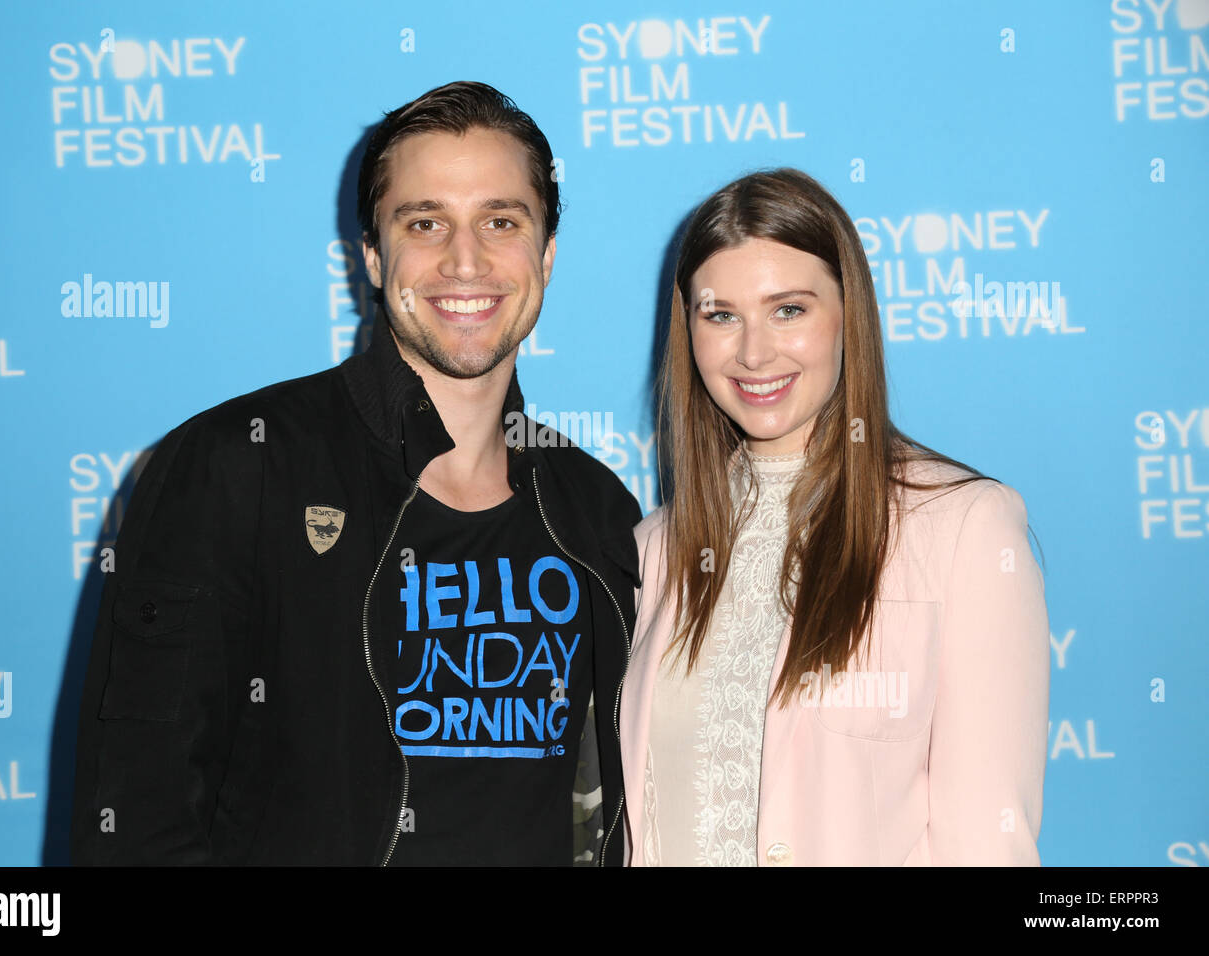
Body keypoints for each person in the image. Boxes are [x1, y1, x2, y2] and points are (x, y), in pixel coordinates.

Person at [70, 81, 642, 866]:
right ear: (373, 255)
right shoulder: (237, 466)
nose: (464, 259)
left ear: (545, 254)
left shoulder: (597, 508)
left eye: (501, 222)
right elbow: (137, 822)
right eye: (425, 222)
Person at [620, 168, 1050, 866]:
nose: (754, 352)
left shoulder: (965, 530)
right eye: (720, 314)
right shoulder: (654, 550)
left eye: (789, 309)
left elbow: (985, 846)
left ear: (848, 313)